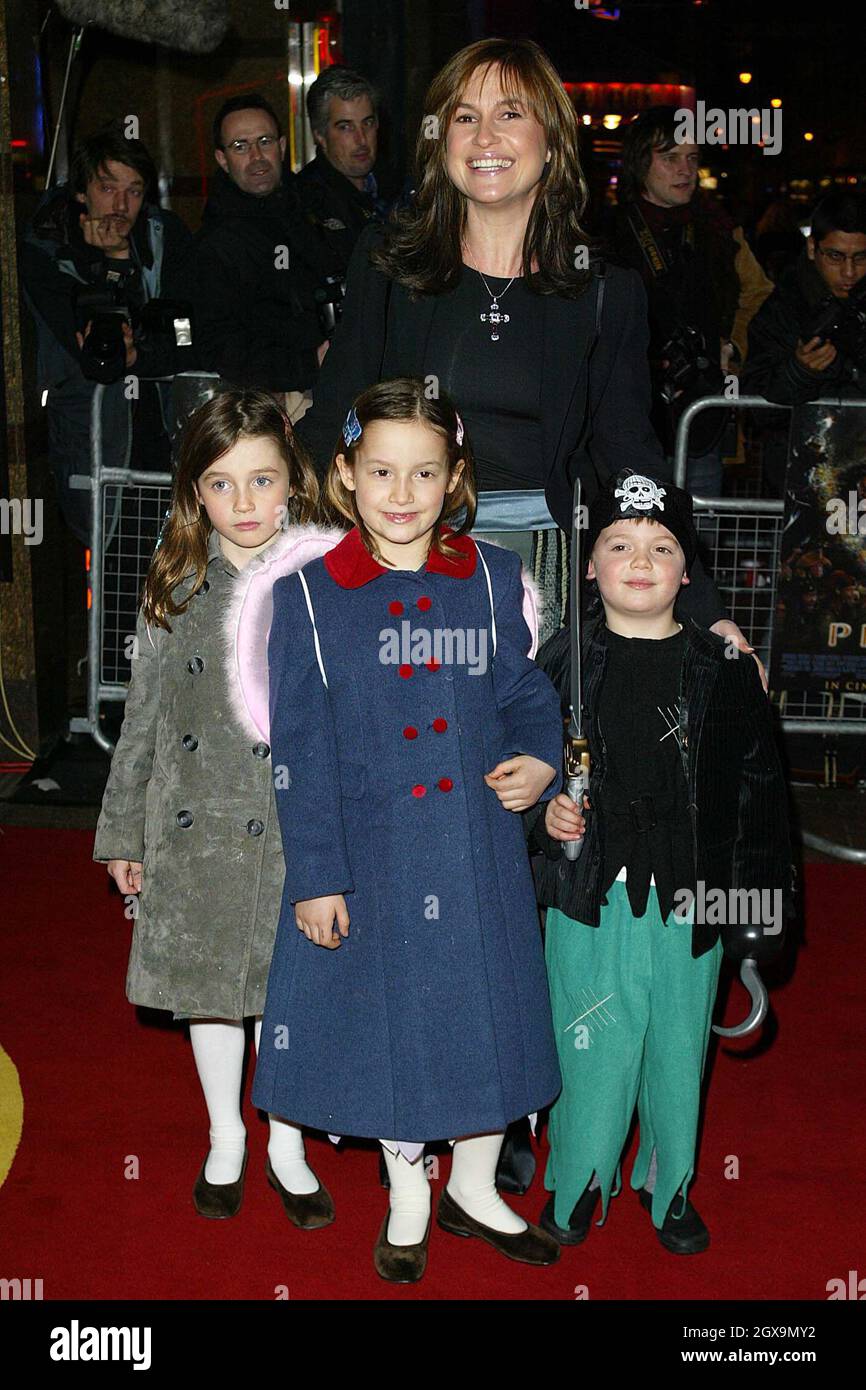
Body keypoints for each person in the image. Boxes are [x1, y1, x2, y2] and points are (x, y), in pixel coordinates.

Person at [295, 36, 765, 1190]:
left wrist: (697, 601)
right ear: (437, 141)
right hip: (405, 570)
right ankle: (419, 1072)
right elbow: (331, 437)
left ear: (550, 140)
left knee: (528, 831)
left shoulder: (605, 290)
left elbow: (626, 455)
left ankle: (504, 1097)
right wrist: (260, 543)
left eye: (511, 116)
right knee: (420, 828)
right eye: (463, 117)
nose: (487, 137)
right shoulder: (390, 268)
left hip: (534, 586)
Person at [251, 377, 565, 1282]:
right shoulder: (310, 597)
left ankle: (473, 1183)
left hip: (474, 854)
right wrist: (317, 876)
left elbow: (523, 696)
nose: (401, 493)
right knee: (398, 1031)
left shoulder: (495, 578)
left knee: (485, 1026)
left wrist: (542, 762)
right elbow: (298, 751)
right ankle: (408, 1190)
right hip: (374, 858)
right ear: (344, 474)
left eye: (424, 474)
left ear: (454, 479)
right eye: (380, 471)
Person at [525, 469, 792, 1255]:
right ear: (589, 563)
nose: (639, 561)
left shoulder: (725, 672)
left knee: (678, 1052)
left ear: (686, 570)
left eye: (661, 546)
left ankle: (669, 1183)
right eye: (618, 544)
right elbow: (518, 776)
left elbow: (758, 803)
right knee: (591, 1045)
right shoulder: (559, 665)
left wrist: (755, 928)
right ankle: (576, 1181)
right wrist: (548, 818)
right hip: (590, 893)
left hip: (692, 901)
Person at [92, 389, 336, 1228]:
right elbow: (144, 717)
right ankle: (226, 1133)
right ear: (195, 491)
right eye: (223, 485)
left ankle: (288, 1142)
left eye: (262, 482)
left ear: (293, 482)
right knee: (210, 990)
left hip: (294, 822)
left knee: (285, 993)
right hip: (195, 819)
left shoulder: (324, 580)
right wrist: (125, 831)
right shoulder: (176, 581)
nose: (245, 504)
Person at [20, 122, 192, 544]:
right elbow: (98, 351)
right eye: (108, 187)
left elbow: (187, 337)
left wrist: (146, 351)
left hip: (168, 440)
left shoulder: (164, 236)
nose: (120, 205)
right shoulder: (46, 246)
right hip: (94, 448)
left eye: (134, 191)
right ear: (81, 191)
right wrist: (114, 264)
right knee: (113, 586)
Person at [614, 106, 773, 497]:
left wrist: (733, 344)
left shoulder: (718, 230)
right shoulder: (606, 234)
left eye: (692, 158)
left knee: (700, 526)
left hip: (703, 410)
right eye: (670, 158)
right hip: (627, 416)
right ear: (640, 163)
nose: (685, 170)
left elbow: (760, 294)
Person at [182, 94, 339, 413]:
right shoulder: (215, 246)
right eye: (240, 146)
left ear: (281, 147)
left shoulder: (314, 211)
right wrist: (305, 363)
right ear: (222, 159)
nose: (256, 156)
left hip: (335, 386)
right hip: (272, 404)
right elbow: (217, 345)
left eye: (264, 141)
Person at [743, 193, 866, 494]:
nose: (849, 272)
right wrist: (799, 372)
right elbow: (756, 407)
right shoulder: (783, 308)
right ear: (813, 248)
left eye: (861, 258)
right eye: (835, 256)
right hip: (804, 482)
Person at [294, 66, 387, 278]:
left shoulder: (402, 189)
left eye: (368, 123)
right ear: (319, 134)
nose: (361, 139)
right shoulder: (303, 204)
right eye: (345, 127)